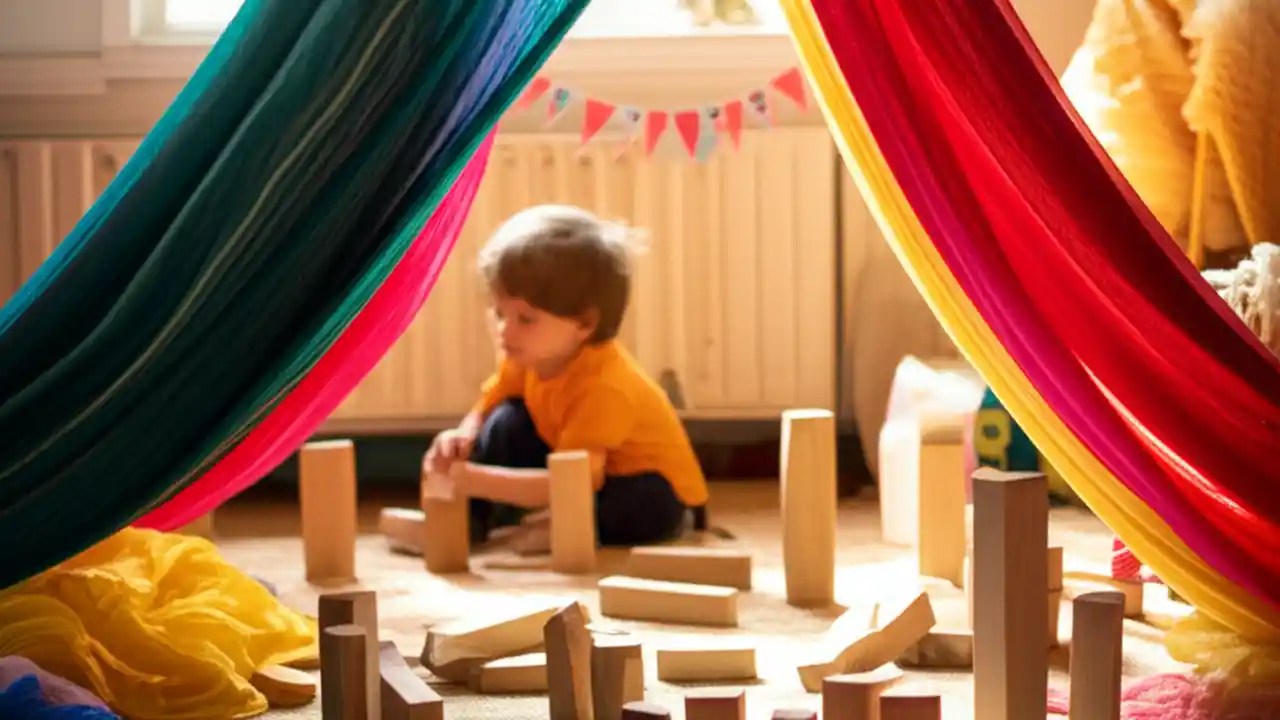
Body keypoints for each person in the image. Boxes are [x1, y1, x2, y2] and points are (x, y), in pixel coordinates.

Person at [422, 204, 708, 547]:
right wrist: (463, 435)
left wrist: (476, 480)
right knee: (505, 420)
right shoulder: (527, 353)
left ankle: (571, 526)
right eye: (499, 313)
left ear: (585, 324)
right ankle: (471, 522)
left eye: (526, 319)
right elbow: (488, 403)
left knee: (638, 504)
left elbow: (574, 482)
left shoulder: (605, 387)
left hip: (656, 491)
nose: (504, 331)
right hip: (581, 469)